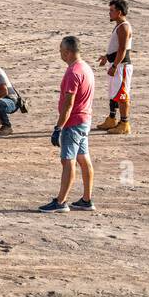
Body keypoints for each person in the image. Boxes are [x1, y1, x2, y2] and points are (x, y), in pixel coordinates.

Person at [40, 35, 95, 212]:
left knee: (68, 161)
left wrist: (58, 127)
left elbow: (68, 103)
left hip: (73, 122)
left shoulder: (73, 73)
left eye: (62, 51)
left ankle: (61, 202)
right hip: (85, 120)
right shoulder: (86, 68)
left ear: (69, 52)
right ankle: (86, 199)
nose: (60, 53)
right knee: (83, 158)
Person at [95, 0, 133, 135]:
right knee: (113, 93)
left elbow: (123, 49)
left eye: (112, 10)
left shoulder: (124, 27)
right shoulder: (119, 25)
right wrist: (107, 58)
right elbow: (117, 48)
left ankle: (124, 123)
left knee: (122, 95)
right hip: (116, 64)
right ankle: (111, 119)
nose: (109, 13)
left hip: (121, 66)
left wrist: (115, 65)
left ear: (120, 12)